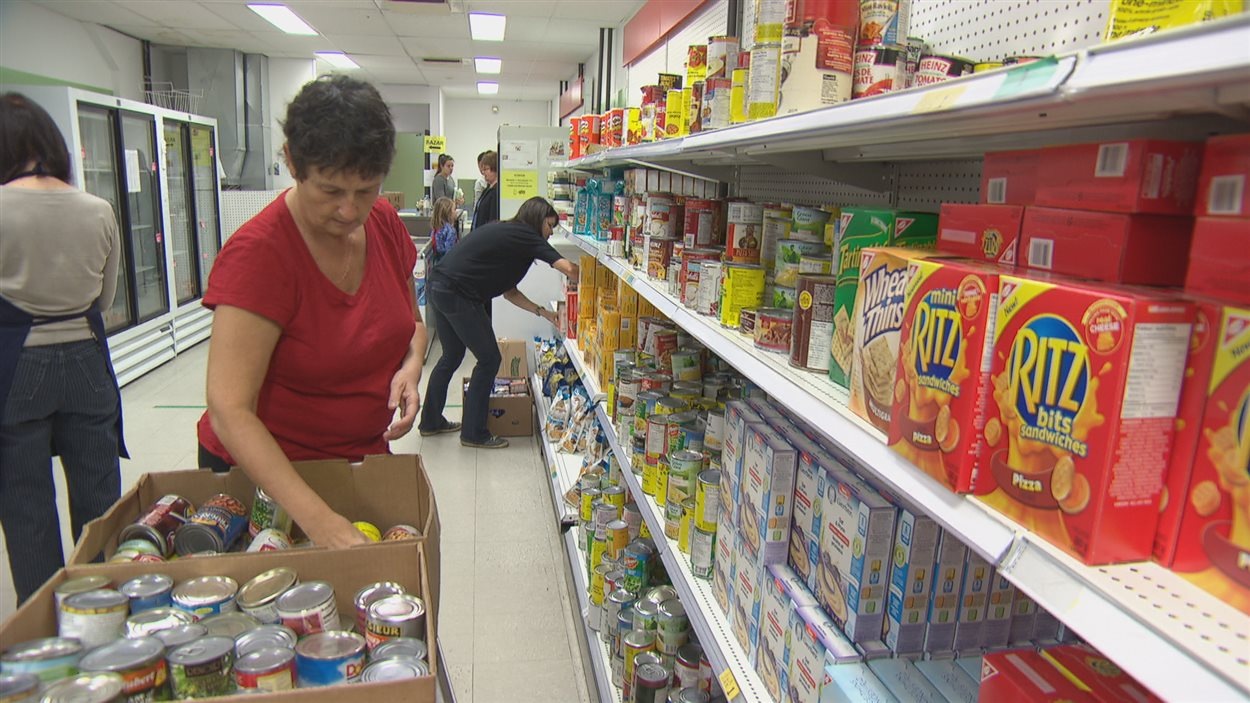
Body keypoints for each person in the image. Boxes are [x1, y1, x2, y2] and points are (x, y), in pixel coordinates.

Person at [197, 75, 428, 549]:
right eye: (330, 191)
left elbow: (414, 325)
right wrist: (321, 523)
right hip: (270, 481)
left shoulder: (383, 223)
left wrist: (410, 368)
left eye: (366, 189)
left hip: (359, 459)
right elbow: (229, 409)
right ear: (291, 162)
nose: (349, 211)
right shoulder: (260, 255)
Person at [0, 92, 126, 603]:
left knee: (25, 502)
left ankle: (42, 619)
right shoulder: (97, 209)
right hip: (86, 359)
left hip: (15, 366)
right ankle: (104, 606)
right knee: (100, 500)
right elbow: (106, 298)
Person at [419, 197, 576, 448]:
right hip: (458, 293)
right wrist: (596, 276)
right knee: (490, 358)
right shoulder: (526, 234)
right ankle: (473, 433)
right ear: (537, 219)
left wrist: (544, 313)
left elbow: (510, 293)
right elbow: (567, 268)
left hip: (440, 286)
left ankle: (430, 421)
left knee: (452, 355)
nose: (550, 232)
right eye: (549, 225)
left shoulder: (512, 237)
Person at [471, 150, 499, 231]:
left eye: (486, 169)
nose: (483, 172)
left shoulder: (496, 193)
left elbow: (492, 221)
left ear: (495, 169)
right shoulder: (488, 189)